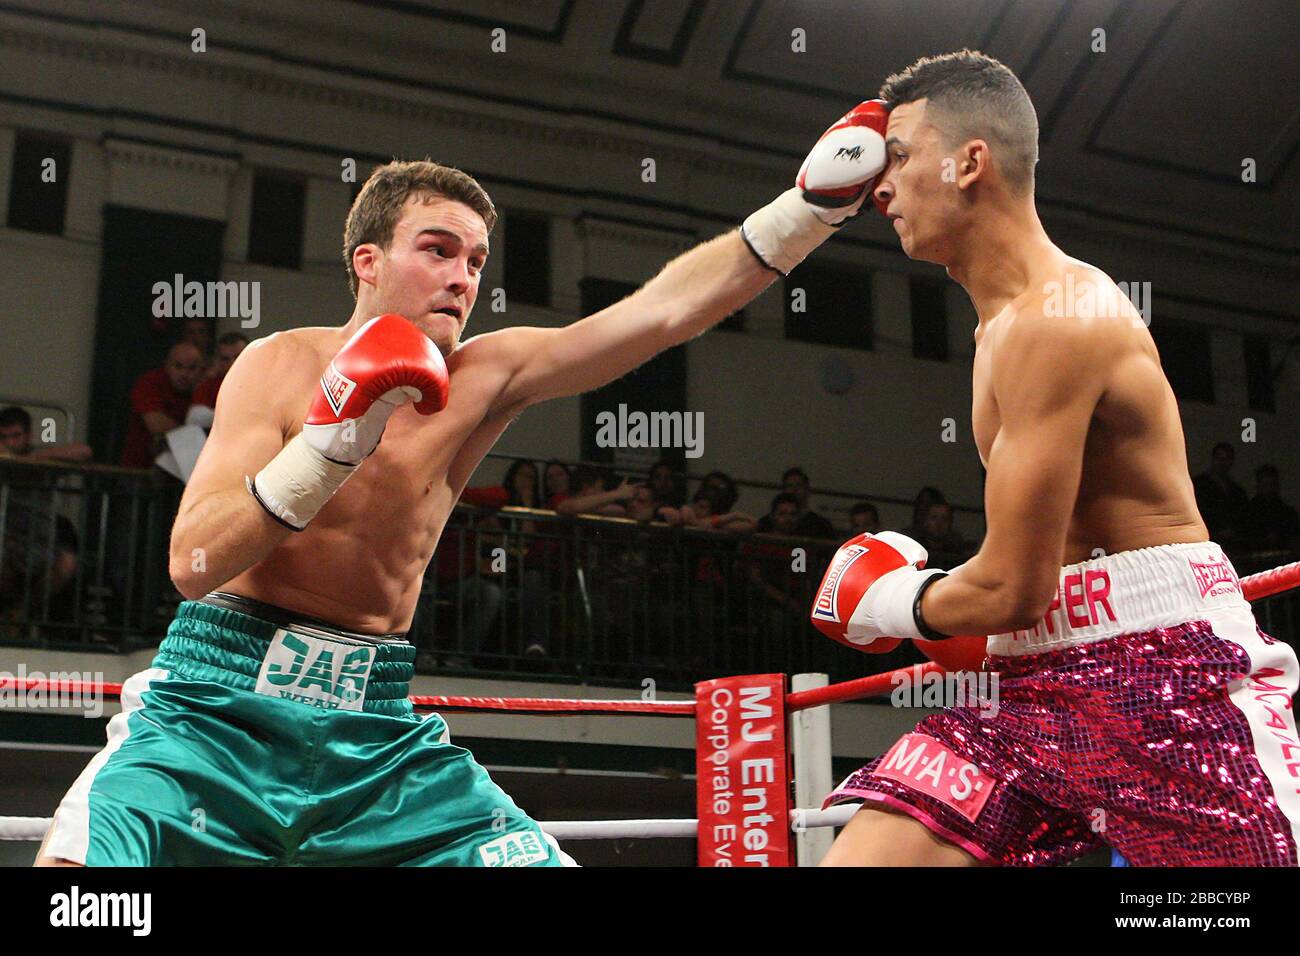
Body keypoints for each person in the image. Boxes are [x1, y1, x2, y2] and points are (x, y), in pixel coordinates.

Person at [39, 102, 884, 866]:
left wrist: (805, 211)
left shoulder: (484, 378)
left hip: (374, 731)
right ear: (367, 261)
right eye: (438, 251)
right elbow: (192, 563)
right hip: (212, 708)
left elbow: (655, 314)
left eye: (476, 261)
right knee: (80, 886)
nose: (463, 277)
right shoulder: (278, 363)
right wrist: (328, 448)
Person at [812, 51, 1299, 867]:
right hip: (1031, 688)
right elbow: (1032, 595)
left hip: (1167, 676)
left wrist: (892, 602)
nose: (878, 189)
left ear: (971, 161)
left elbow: (1012, 585)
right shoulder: (996, 330)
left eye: (897, 155)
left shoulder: (1059, 316)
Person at [119, 341, 205, 467]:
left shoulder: (203, 389)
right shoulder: (150, 382)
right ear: (167, 366)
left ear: (201, 370)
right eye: (178, 366)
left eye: (191, 368)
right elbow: (156, 424)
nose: (184, 374)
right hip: (141, 470)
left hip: (188, 470)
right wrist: (195, 434)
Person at [1192, 442, 1251, 548]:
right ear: (1213, 459)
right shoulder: (1199, 486)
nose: (1222, 463)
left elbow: (1244, 518)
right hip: (1206, 542)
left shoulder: (1237, 491)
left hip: (1234, 544)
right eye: (1219, 458)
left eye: (1227, 459)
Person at [188, 332, 250, 427]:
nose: (232, 363)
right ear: (217, 360)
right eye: (225, 359)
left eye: (238, 356)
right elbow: (194, 419)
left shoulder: (266, 382)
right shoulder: (210, 385)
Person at [0, 406, 92, 462]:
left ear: (28, 435)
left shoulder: (37, 455)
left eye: (16, 436)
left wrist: (33, 459)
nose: (9, 442)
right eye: (2, 436)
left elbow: (84, 451)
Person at [1246, 464, 1300, 551]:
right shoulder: (1248, 512)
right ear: (1258, 486)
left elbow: (1294, 538)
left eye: (1272, 485)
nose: (1268, 489)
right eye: (1265, 485)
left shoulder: (1287, 512)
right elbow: (1246, 538)